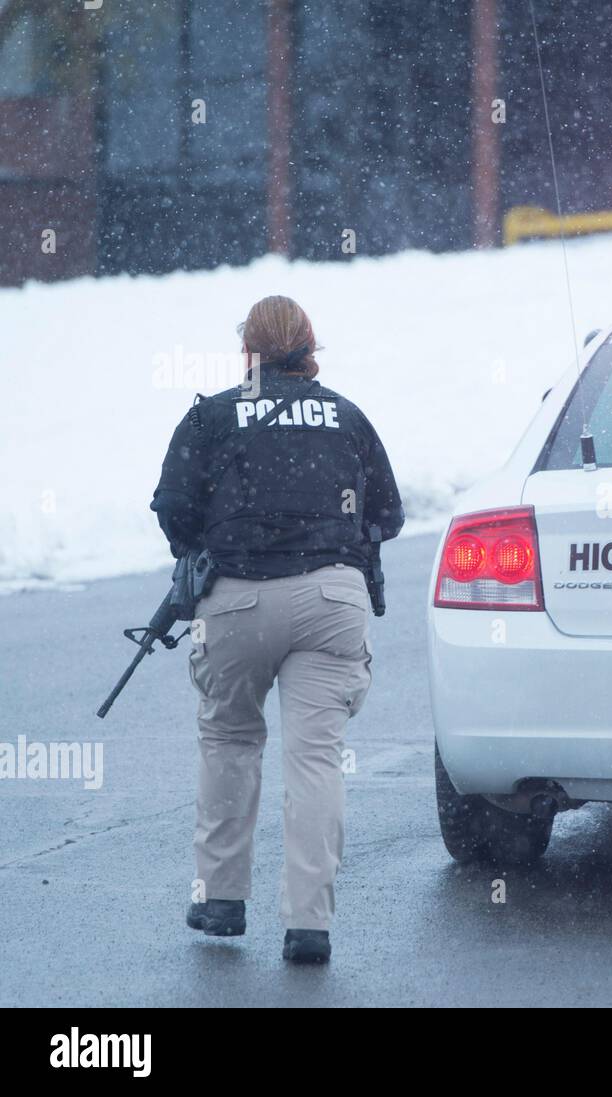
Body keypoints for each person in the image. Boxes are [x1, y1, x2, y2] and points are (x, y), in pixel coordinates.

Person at [151, 295, 403, 964]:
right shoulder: (347, 416)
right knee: (315, 757)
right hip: (330, 597)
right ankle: (309, 924)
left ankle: (221, 899)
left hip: (235, 603)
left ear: (248, 352)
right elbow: (389, 514)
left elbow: (172, 505)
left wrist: (208, 542)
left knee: (230, 739)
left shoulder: (209, 416)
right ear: (310, 347)